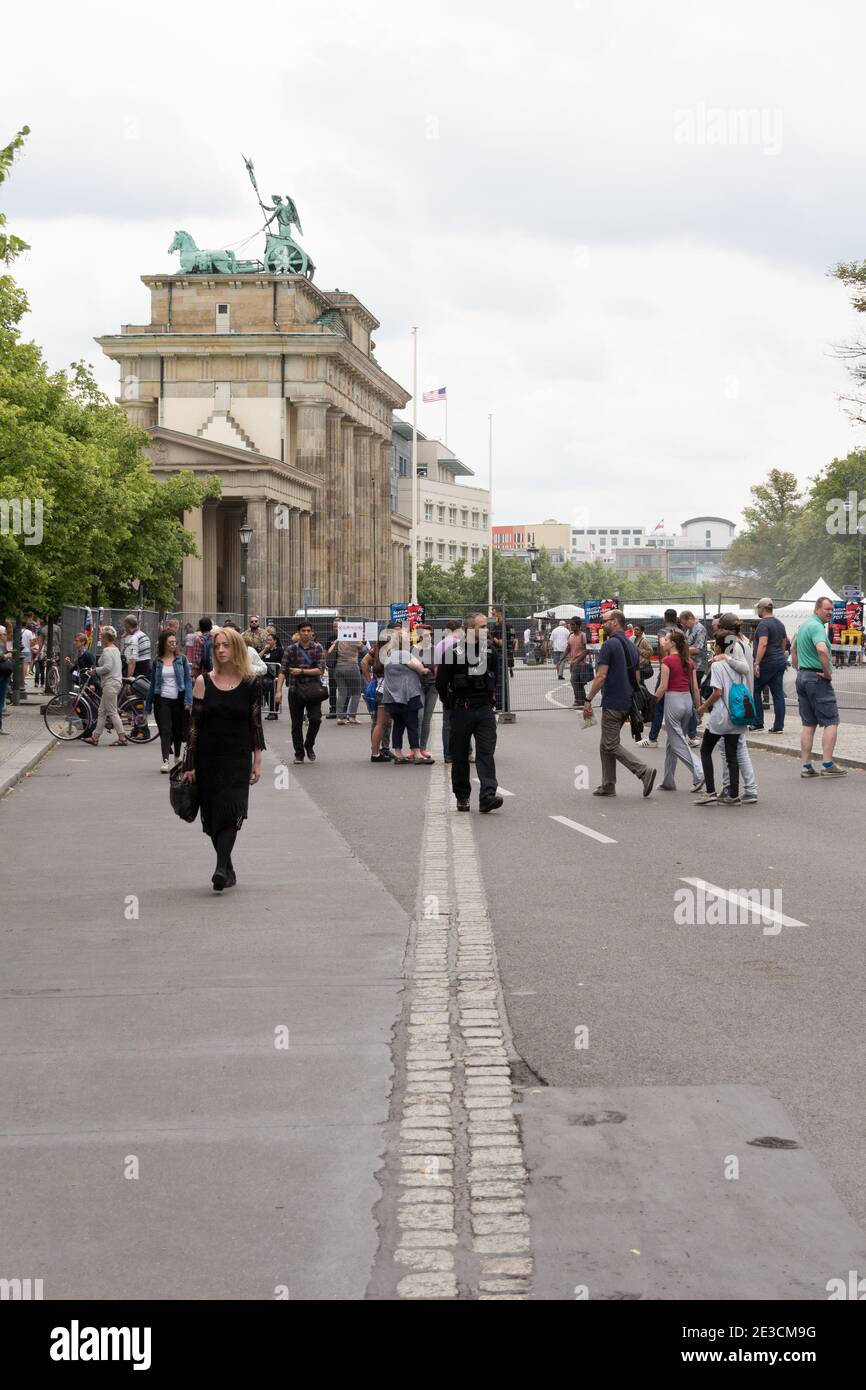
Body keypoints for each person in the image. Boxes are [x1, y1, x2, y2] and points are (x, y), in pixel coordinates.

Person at [182, 627, 265, 891]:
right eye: (217, 646)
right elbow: (193, 727)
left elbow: (255, 724)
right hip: (208, 757)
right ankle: (227, 866)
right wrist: (189, 764)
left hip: (237, 758)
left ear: (237, 648)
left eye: (226, 645)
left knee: (231, 811)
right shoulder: (202, 682)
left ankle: (219, 869)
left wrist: (257, 760)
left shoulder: (251, 683)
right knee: (213, 814)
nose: (220, 650)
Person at [583, 608, 656, 798]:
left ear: (615, 622)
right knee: (605, 743)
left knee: (610, 744)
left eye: (605, 621)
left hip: (613, 701)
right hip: (628, 701)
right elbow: (637, 676)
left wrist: (588, 699)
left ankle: (643, 771)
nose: (602, 624)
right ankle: (608, 785)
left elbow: (601, 676)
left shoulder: (609, 645)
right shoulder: (632, 645)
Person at [436, 612, 502, 811]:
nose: (486, 630)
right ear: (469, 629)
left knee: (486, 753)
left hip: (484, 710)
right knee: (460, 755)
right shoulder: (453, 653)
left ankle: (488, 795)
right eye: (482, 627)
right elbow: (441, 683)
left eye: (486, 626)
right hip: (461, 709)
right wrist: (450, 704)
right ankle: (462, 797)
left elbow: (495, 679)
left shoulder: (490, 651)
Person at [791, 596, 847, 779]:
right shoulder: (816, 627)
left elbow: (793, 649)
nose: (830, 612)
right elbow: (822, 650)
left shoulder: (804, 625)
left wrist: (799, 668)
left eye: (831, 609)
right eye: (827, 609)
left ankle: (806, 766)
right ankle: (827, 764)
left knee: (809, 723)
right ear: (817, 609)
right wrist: (827, 673)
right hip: (817, 677)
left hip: (803, 677)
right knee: (831, 721)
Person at [694, 613, 746, 806]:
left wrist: (702, 707)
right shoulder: (738, 665)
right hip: (736, 713)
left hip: (721, 714)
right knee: (732, 754)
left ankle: (710, 791)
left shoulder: (717, 665)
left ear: (718, 646)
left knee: (706, 749)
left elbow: (717, 692)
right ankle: (733, 794)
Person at [714, 615, 759, 804]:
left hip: (735, 701)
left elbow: (737, 669)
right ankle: (743, 788)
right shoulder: (744, 642)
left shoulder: (732, 643)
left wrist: (723, 658)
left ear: (725, 629)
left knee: (732, 748)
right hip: (744, 698)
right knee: (735, 746)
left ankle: (743, 788)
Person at [657, 627, 704, 791]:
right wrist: (699, 709)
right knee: (673, 741)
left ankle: (699, 772)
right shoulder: (689, 662)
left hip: (673, 700)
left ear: (673, 644)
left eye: (667, 640)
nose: (664, 642)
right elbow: (696, 688)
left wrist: (652, 702)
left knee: (678, 743)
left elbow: (663, 687)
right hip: (687, 701)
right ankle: (668, 780)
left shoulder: (667, 661)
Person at [146, 629, 193, 772]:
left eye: (174, 642)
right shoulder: (157, 662)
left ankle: (177, 755)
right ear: (163, 644)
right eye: (170, 642)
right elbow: (153, 683)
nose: (173, 645)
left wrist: (188, 700)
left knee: (178, 730)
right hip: (162, 700)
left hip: (178, 699)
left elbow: (187, 680)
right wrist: (148, 705)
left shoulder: (182, 659)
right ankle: (165, 760)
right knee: (165, 730)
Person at [280, 620, 325, 763]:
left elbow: (320, 670)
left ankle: (309, 744)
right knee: (296, 724)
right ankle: (299, 753)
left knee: (315, 719)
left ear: (312, 632)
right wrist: (278, 691)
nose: (306, 633)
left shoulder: (318, 648)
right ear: (298, 633)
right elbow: (282, 670)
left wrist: (301, 671)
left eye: (308, 631)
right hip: (295, 689)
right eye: (303, 631)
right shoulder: (290, 649)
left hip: (313, 690)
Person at [382, 628, 430, 764]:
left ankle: (398, 753)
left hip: (392, 695)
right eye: (407, 638)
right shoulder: (403, 654)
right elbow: (420, 669)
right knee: (412, 723)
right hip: (407, 694)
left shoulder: (389, 653)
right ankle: (416, 752)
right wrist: (428, 670)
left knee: (398, 724)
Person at [638, 609, 681, 749]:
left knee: (658, 705)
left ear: (665, 618)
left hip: (667, 669)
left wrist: (653, 699)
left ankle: (653, 738)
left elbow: (662, 646)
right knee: (686, 702)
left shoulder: (663, 632)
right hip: (682, 669)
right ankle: (691, 736)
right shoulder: (681, 632)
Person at [82, 626, 127, 747]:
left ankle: (122, 738)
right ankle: (95, 737)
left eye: (102, 637)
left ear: (106, 639)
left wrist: (95, 671)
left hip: (110, 684)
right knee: (102, 711)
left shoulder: (107, 651)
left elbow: (107, 667)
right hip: (115, 682)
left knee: (112, 712)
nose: (100, 640)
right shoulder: (116, 650)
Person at [751, 598, 787, 733]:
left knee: (756, 690)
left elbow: (763, 643)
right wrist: (781, 655)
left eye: (758, 609)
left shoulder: (763, 625)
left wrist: (757, 662)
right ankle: (778, 726)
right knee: (777, 693)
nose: (757, 611)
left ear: (762, 609)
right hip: (779, 661)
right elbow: (784, 641)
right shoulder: (780, 623)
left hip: (766, 662)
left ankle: (758, 722)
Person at [364, 626, 396, 762]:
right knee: (381, 723)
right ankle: (376, 753)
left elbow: (363, 661)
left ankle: (377, 751)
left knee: (382, 722)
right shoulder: (390, 653)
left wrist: (369, 679)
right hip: (385, 691)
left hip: (379, 689)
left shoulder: (377, 650)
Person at [434, 619, 463, 761]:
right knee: (464, 719)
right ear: (458, 629)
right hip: (459, 685)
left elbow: (437, 668)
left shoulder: (439, 645)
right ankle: (466, 751)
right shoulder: (460, 645)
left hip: (445, 684)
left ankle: (448, 754)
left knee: (447, 721)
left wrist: (441, 690)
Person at [416, 623, 438, 763]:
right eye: (425, 635)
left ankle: (422, 747)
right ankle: (415, 748)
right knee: (419, 715)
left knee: (427, 718)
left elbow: (438, 668)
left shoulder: (435, 650)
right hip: (417, 686)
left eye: (430, 635)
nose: (428, 637)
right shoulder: (413, 649)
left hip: (433, 686)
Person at [332, 632, 364, 724]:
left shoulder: (338, 640)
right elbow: (364, 650)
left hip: (338, 668)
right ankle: (352, 717)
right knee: (356, 693)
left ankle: (339, 717)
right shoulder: (354, 639)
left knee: (342, 693)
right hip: (352, 667)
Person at [567, 618, 593, 709]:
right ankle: (581, 701)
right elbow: (568, 648)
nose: (571, 626)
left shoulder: (583, 635)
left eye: (573, 624)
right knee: (578, 682)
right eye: (571, 624)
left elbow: (587, 649)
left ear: (578, 625)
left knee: (574, 681)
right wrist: (561, 660)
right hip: (573, 663)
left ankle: (578, 701)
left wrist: (577, 660)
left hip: (581, 663)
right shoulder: (570, 636)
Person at [261, 628, 284, 720]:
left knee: (273, 692)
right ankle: (271, 710)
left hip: (276, 675)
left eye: (270, 640)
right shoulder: (266, 650)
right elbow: (258, 658)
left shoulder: (279, 650)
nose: (268, 641)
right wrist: (264, 650)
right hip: (267, 674)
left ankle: (274, 712)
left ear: (275, 641)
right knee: (266, 692)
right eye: (267, 640)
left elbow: (282, 662)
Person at [121, 615, 152, 680]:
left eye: (125, 626)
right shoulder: (144, 635)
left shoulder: (133, 639)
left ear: (127, 625)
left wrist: (129, 680)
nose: (124, 628)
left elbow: (132, 661)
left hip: (137, 672)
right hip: (146, 671)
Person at [325, 617, 341, 719]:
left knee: (345, 689)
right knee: (333, 688)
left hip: (343, 665)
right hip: (332, 666)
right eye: (334, 626)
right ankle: (333, 709)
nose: (336, 628)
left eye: (338, 626)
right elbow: (326, 650)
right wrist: (325, 662)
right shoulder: (331, 636)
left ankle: (343, 710)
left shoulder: (347, 636)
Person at [0, 625, 12, 734]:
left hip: (3, 677)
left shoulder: (3, 645)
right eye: (4, 634)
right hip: (1, 677)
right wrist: (6, 656)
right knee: (0, 701)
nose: (6, 636)